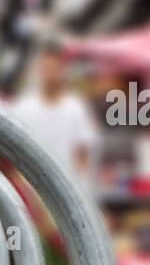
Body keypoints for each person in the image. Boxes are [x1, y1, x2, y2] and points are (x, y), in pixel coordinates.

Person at [11, 41, 100, 181]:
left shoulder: (76, 108)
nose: (49, 72)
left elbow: (83, 154)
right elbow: (13, 152)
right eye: (46, 67)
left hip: (66, 187)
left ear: (63, 69)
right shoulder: (22, 108)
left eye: (53, 67)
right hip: (31, 187)